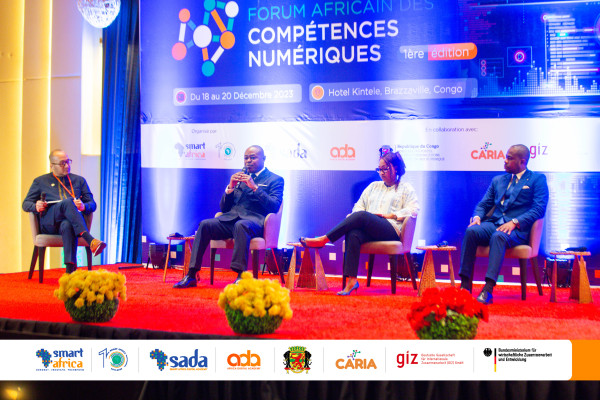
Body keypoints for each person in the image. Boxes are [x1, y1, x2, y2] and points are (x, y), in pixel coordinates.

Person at [301, 151, 419, 295]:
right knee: (354, 232)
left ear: (395, 168)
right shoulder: (373, 186)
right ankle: (352, 280)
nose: (381, 172)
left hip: (391, 229)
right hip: (370, 228)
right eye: (379, 169)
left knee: (362, 216)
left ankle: (324, 239)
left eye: (385, 169)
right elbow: (358, 206)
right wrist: (360, 217)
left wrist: (390, 215)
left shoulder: (406, 188)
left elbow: (413, 210)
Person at [173, 145, 284, 288]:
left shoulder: (275, 179)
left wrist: (254, 187)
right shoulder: (240, 177)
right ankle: (191, 274)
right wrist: (230, 187)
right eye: (246, 158)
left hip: (254, 222)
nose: (248, 161)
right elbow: (224, 208)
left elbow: (274, 206)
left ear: (264, 158)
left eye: (253, 157)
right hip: (230, 219)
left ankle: (241, 276)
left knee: (241, 225)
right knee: (205, 224)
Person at [459, 144, 549, 305]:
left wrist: (515, 222)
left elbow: (539, 209)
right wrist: (477, 217)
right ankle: (464, 287)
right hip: (494, 223)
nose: (505, 161)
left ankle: (488, 289)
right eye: (506, 157)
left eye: (509, 158)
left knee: (498, 236)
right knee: (471, 231)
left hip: (518, 230)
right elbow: (483, 204)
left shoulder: (537, 179)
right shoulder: (498, 180)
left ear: (522, 161)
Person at [22, 149, 106, 273]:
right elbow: (25, 204)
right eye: (62, 163)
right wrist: (36, 206)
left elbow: (92, 204)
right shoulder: (40, 181)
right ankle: (89, 239)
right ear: (52, 165)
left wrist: (83, 207)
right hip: (49, 223)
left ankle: (69, 272)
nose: (67, 166)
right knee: (68, 202)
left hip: (71, 224)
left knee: (67, 224)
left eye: (68, 162)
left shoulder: (79, 181)